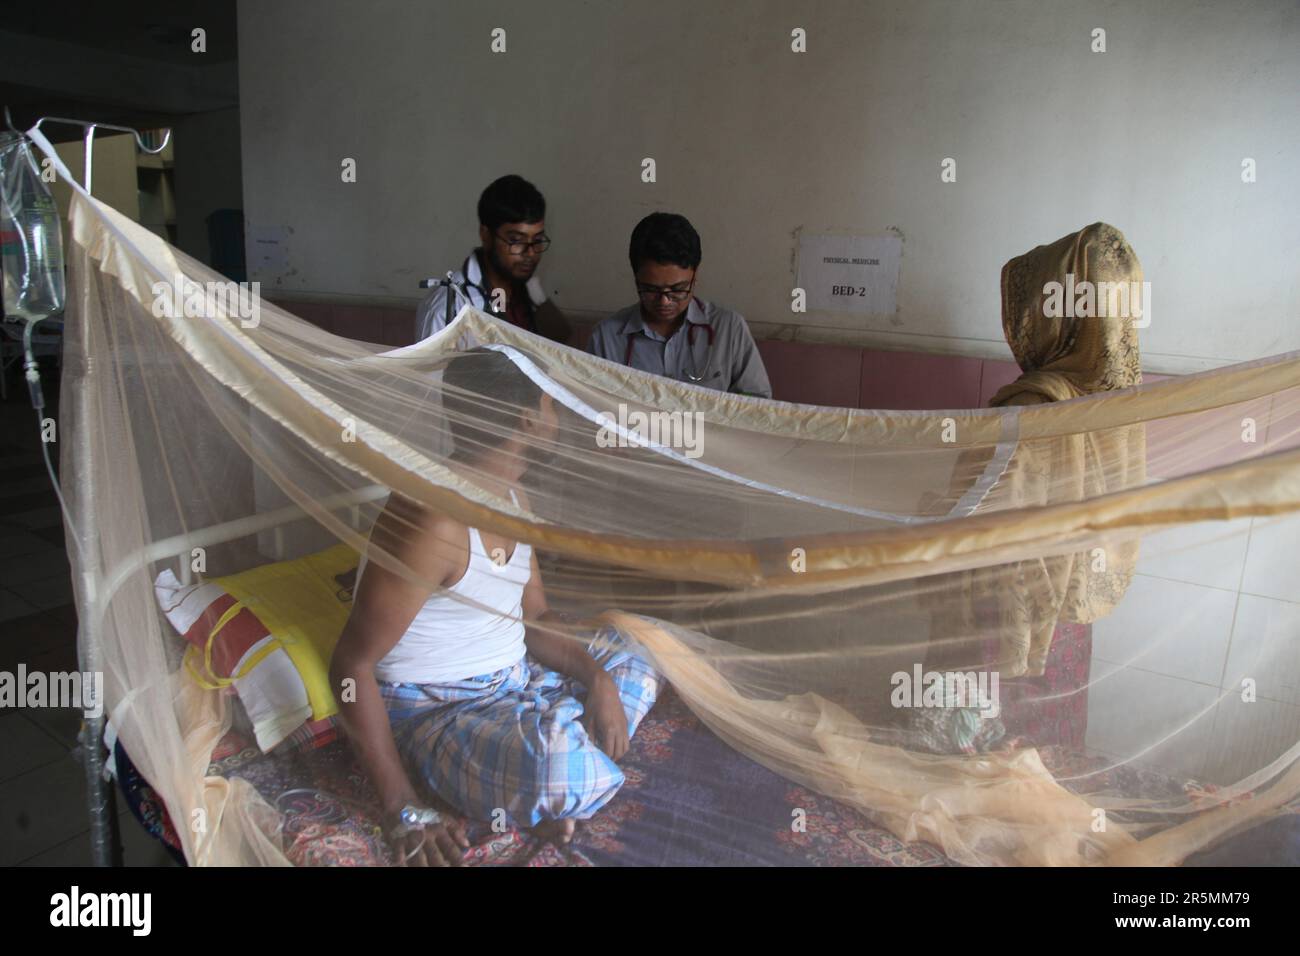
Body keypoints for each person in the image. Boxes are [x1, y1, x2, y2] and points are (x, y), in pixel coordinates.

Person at [329, 349, 661, 866]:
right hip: (439, 710)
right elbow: (351, 666)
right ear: (528, 419)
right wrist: (401, 808)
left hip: (513, 682)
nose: (558, 418)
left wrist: (597, 679)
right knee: (562, 768)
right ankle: (549, 763)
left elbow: (537, 618)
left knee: (642, 649)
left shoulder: (515, 497)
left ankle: (544, 751)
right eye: (552, 405)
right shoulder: (434, 521)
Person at [587, 212, 772, 397]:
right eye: (651, 289)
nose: (664, 301)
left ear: (695, 275)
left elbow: (758, 409)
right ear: (636, 278)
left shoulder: (729, 329)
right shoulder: (606, 337)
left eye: (678, 289)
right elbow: (589, 408)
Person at [415, 175, 570, 343]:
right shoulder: (448, 307)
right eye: (516, 240)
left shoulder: (530, 295)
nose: (531, 253)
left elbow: (559, 349)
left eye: (537, 240)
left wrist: (540, 302)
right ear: (486, 235)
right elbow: (431, 368)